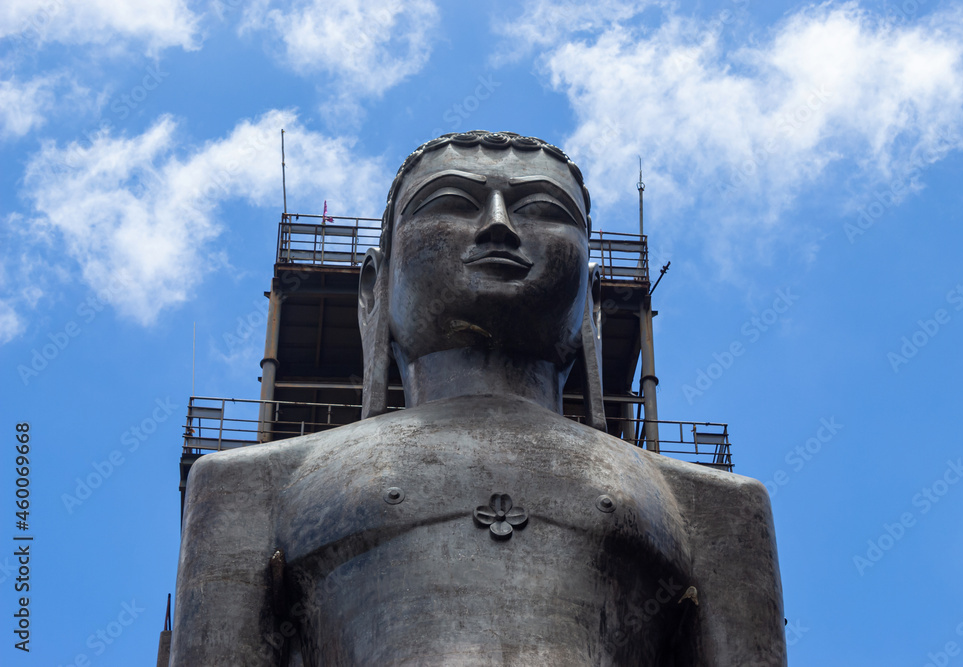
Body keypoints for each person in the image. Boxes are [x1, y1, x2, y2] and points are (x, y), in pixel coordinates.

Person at [170, 131, 786, 666]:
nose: (498, 224)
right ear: (374, 287)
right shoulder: (249, 486)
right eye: (451, 202)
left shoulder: (712, 508)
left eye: (543, 209)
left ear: (592, 304)